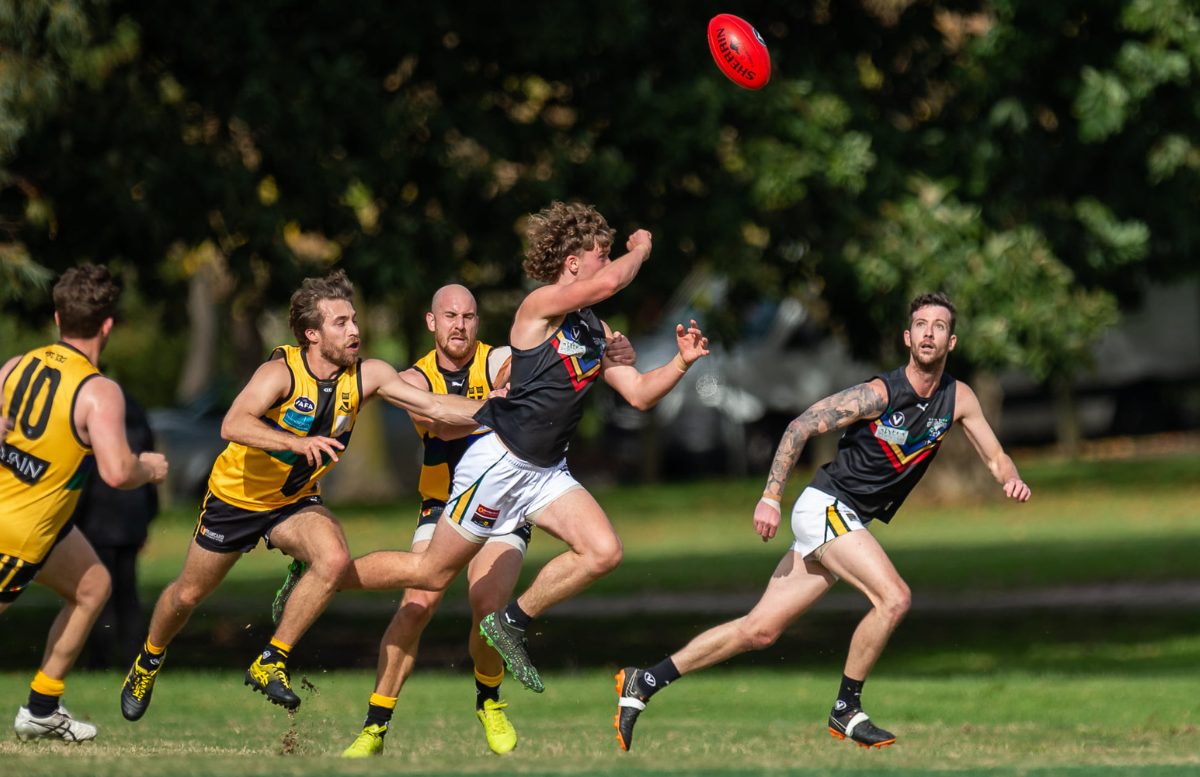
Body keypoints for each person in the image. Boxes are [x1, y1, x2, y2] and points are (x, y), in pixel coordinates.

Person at [336, 201, 709, 755]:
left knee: (603, 552)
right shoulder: (541, 306)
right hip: (498, 463)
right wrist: (640, 250)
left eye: (610, 254)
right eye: (599, 254)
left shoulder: (594, 328)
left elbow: (636, 393)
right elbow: (609, 283)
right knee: (430, 576)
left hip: (547, 471)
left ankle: (509, 624)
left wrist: (680, 363)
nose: (607, 263)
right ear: (572, 261)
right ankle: (326, 574)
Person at [612, 291, 1032, 752]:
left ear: (951, 342)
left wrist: (1009, 479)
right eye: (921, 325)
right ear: (906, 337)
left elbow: (997, 458)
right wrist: (771, 495)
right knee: (893, 598)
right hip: (825, 507)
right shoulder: (880, 393)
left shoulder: (959, 398)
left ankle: (645, 680)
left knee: (759, 630)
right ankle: (846, 708)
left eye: (939, 326)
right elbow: (800, 425)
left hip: (846, 521)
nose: (929, 332)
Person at [118, 269, 487, 723]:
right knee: (187, 597)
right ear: (312, 334)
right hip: (236, 501)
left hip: (293, 502)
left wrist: (503, 411)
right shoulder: (280, 373)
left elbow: (432, 405)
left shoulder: (369, 374)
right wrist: (295, 442)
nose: (354, 330)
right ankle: (148, 660)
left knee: (332, 559)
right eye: (340, 323)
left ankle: (271, 659)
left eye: (354, 320)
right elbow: (232, 423)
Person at [334, 283, 639, 758]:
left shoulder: (497, 357)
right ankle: (376, 724)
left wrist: (604, 351)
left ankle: (489, 702)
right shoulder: (414, 378)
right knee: (418, 601)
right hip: (442, 504)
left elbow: (521, 372)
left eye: (469, 316)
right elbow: (439, 423)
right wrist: (502, 409)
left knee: (488, 606)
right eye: (450, 316)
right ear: (431, 323)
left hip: (509, 499)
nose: (460, 324)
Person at [0, 265, 170, 742]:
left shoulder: (17, 365)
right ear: (108, 325)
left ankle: (42, 706)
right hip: (17, 534)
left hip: (39, 523)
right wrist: (150, 468)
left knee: (94, 585)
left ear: (57, 316)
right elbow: (117, 471)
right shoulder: (98, 391)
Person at [73, 386, 159, 669]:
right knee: (127, 592)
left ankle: (100, 658)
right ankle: (133, 656)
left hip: (98, 516)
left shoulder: (91, 411)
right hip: (131, 514)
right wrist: (148, 515)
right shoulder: (135, 409)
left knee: (97, 591)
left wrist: (75, 516)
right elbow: (148, 460)